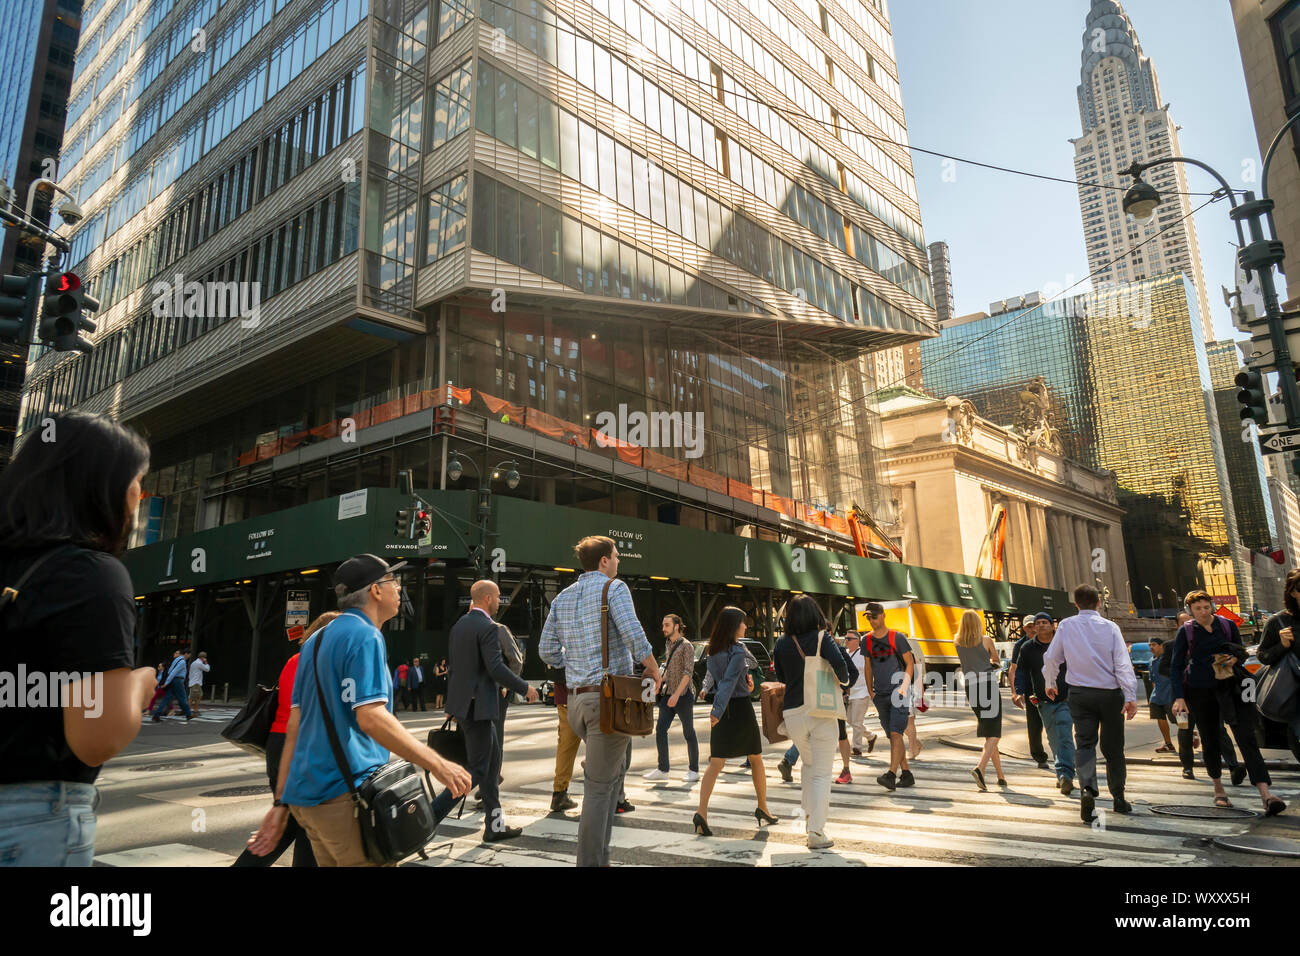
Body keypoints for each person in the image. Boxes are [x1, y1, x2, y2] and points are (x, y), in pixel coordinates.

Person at [0, 411, 160, 866]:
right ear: (100, 486)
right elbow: (97, 736)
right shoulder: (90, 575)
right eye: (136, 480)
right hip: (30, 819)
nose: (139, 496)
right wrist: (139, 685)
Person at [246, 554, 471, 866]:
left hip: (309, 800)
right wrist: (437, 764)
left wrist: (281, 802)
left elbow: (294, 725)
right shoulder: (365, 635)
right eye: (394, 581)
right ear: (376, 591)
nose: (399, 588)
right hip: (344, 798)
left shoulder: (314, 641)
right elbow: (371, 717)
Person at [539, 536, 660, 867]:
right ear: (604, 561)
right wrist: (653, 667)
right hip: (606, 701)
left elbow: (546, 650)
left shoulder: (562, 598)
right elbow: (633, 634)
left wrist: (575, 660)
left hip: (577, 703)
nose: (619, 561)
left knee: (607, 779)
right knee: (597, 790)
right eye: (617, 556)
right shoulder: (614, 588)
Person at [434, 580, 538, 842]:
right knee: (479, 770)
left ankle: (495, 826)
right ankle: (429, 816)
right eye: (498, 597)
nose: (499, 600)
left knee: (491, 769)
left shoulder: (459, 626)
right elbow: (496, 668)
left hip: (466, 707)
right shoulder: (488, 627)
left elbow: (456, 670)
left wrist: (451, 706)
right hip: (480, 708)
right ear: (489, 598)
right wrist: (524, 688)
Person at [233, 612, 339, 867]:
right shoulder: (322, 663)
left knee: (297, 826)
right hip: (302, 748)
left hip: (278, 747)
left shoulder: (294, 660)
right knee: (298, 826)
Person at [1170, 590, 1284, 815]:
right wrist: (1179, 697)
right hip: (1200, 691)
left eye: (1206, 607)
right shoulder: (1187, 631)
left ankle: (1266, 794)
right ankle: (1218, 789)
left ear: (1211, 606)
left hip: (1230, 687)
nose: (1203, 612)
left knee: (1247, 737)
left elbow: (1240, 651)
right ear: (1190, 611)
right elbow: (1175, 665)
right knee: (1210, 738)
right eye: (1197, 608)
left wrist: (1234, 658)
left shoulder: (1227, 625)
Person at [1042, 584, 1137, 823]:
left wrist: (1050, 681)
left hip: (1080, 694)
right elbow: (1123, 664)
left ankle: (1087, 790)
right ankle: (1119, 797)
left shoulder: (1065, 625)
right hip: (1110, 694)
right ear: (1097, 603)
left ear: (1076, 604)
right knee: (1114, 748)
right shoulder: (1111, 627)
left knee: (1084, 744)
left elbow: (1051, 657)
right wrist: (1131, 696)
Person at [771, 596, 849, 849]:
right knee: (822, 773)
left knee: (808, 765)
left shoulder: (781, 643)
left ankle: (808, 818)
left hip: (793, 713)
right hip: (821, 709)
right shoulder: (821, 637)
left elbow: (780, 676)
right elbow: (841, 666)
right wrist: (844, 684)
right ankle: (816, 831)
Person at [693, 607, 777, 837]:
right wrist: (718, 710)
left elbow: (725, 681)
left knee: (716, 763)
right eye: (743, 623)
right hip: (739, 708)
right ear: (733, 626)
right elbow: (729, 681)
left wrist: (719, 707)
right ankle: (762, 807)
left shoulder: (712, 651)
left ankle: (701, 813)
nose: (746, 626)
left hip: (724, 707)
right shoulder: (738, 651)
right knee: (756, 757)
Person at [1015, 613, 1075, 794]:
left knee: (1064, 734)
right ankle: (1062, 773)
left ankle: (1066, 774)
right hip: (1043, 701)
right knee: (1053, 738)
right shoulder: (1027, 648)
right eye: (1037, 623)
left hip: (1066, 698)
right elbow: (1021, 671)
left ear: (1052, 625)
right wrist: (1019, 692)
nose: (1040, 625)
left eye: (1044, 622)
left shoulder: (1064, 644)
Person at [862, 602, 916, 790]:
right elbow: (868, 667)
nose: (871, 620)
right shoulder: (866, 640)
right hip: (880, 693)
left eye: (874, 616)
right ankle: (907, 774)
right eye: (868, 617)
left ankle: (891, 775)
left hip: (898, 692)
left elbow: (910, 663)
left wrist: (904, 686)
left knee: (895, 733)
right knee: (893, 736)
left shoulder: (897, 637)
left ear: (884, 615)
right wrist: (870, 691)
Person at [644, 614, 700, 783]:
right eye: (663, 625)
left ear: (676, 626)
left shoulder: (687, 646)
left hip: (683, 696)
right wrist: (660, 682)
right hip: (669, 695)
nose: (663, 628)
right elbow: (668, 668)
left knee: (688, 732)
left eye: (667, 625)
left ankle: (694, 770)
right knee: (660, 730)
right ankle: (663, 769)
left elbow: (687, 673)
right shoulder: (668, 644)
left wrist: (676, 695)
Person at [955, 609, 1005, 790]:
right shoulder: (986, 640)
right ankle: (980, 768)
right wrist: (992, 663)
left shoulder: (957, 641)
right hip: (987, 685)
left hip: (971, 687)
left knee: (988, 731)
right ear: (978, 623)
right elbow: (996, 660)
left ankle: (1000, 776)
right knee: (995, 731)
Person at [1257, 570, 1300, 764]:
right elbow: (1263, 656)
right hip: (1295, 692)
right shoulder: (1279, 621)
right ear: (1292, 592)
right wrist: (1282, 645)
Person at [1009, 613, 1050, 769]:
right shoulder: (1021, 645)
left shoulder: (1050, 640)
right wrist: (1015, 692)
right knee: (1034, 725)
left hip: (1051, 689)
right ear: (1024, 628)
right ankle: (1040, 757)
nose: (1033, 629)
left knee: (1057, 723)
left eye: (1035, 625)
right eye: (1029, 626)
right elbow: (1014, 669)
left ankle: (1063, 757)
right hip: (1031, 691)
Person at [549, 668, 581, 813]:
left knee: (566, 747)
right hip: (592, 693)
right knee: (601, 744)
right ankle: (609, 796)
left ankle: (559, 793)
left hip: (565, 695)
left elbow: (547, 652)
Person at [843, 632, 878, 757]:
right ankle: (871, 736)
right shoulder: (846, 653)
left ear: (857, 640)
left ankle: (857, 748)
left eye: (849, 639)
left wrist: (871, 690)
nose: (846, 640)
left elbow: (870, 671)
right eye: (845, 638)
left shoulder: (863, 655)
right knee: (850, 720)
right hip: (850, 693)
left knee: (857, 722)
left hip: (862, 692)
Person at [151, 650, 194, 722]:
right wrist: (167, 682)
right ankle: (188, 714)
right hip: (178, 681)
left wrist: (168, 681)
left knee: (166, 698)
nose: (189, 657)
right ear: (186, 654)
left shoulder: (176, 660)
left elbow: (170, 670)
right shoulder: (182, 662)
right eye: (189, 655)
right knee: (183, 698)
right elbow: (174, 672)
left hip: (173, 681)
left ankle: (157, 715)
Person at [188, 651, 210, 715]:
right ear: (203, 658)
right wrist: (206, 663)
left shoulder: (194, 663)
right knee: (192, 697)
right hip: (196, 683)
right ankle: (191, 711)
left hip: (194, 682)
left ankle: (194, 710)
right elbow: (207, 669)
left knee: (198, 696)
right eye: (205, 658)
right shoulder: (199, 663)